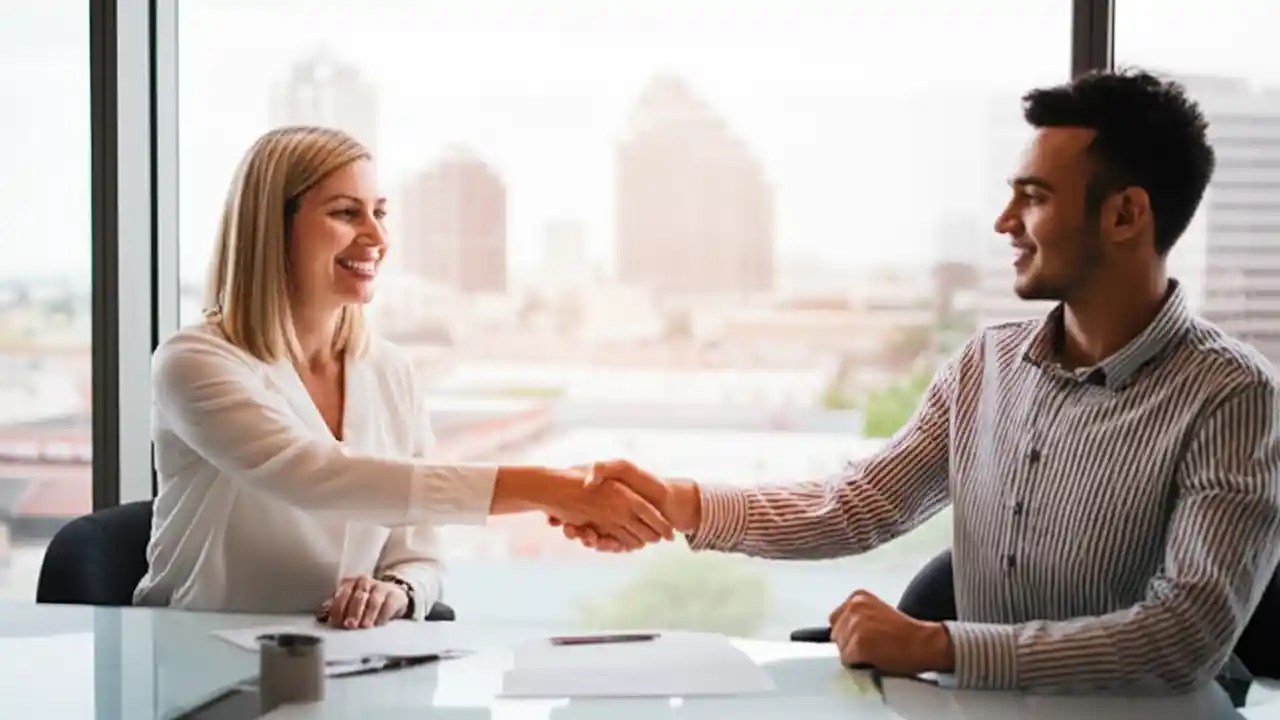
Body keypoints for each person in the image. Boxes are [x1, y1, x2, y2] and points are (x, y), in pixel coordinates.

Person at [558, 69, 1280, 692]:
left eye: (1033, 197)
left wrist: (938, 644)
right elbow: (861, 504)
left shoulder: (1234, 397)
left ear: (1125, 215)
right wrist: (678, 503)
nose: (1005, 222)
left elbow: (1188, 636)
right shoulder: (986, 365)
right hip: (982, 708)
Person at [135, 126, 671, 628]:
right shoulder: (196, 363)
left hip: (346, 664)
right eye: (346, 213)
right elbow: (315, 476)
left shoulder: (388, 370)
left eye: (379, 213)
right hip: (198, 658)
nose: (376, 237)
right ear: (273, 229)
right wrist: (547, 488)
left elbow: (420, 551)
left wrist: (399, 588)